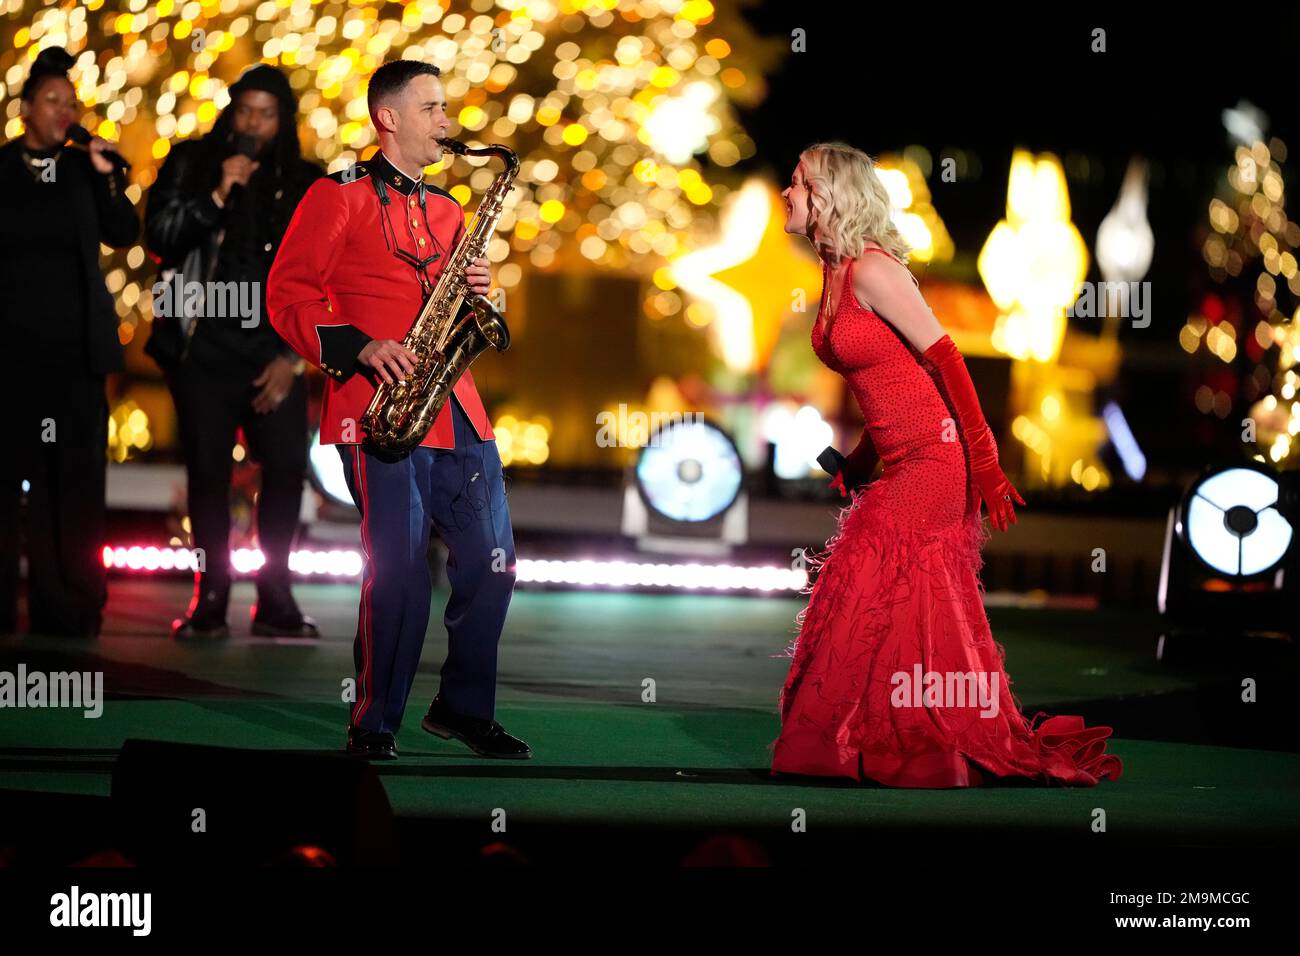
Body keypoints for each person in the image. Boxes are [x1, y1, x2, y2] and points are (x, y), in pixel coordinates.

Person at [770, 142, 1122, 787]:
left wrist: (985, 462)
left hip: (937, 460)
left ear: (829, 195)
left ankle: (899, 745)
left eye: (797, 183)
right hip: (901, 459)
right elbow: (884, 378)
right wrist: (860, 457)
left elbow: (946, 360)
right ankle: (892, 744)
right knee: (903, 601)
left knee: (869, 577)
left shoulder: (875, 271)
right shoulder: (834, 272)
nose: (785, 192)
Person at [267, 58, 528, 761]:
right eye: (433, 108)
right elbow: (288, 295)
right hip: (379, 411)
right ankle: (374, 722)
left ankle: (462, 709)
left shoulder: (448, 209)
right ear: (389, 118)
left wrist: (480, 290)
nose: (448, 122)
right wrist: (357, 347)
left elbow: (461, 312)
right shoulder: (336, 194)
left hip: (457, 407)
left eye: (446, 109)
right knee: (402, 571)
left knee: (493, 561)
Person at [144, 65, 324, 639]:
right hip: (203, 347)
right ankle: (211, 596)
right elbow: (161, 237)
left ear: (283, 120)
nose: (252, 123)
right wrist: (217, 193)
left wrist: (293, 357)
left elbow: (320, 274)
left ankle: (275, 597)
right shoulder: (192, 163)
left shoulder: (306, 180)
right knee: (207, 475)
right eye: (244, 110)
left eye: (265, 114)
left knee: (288, 468)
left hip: (275, 352)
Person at [0, 47, 139, 638]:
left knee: (75, 483)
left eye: (71, 102)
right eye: (52, 100)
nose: (64, 111)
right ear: (26, 107)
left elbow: (125, 232)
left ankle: (71, 605)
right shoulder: (2, 169)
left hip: (77, 356)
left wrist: (112, 181)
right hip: (10, 357)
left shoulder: (86, 167)